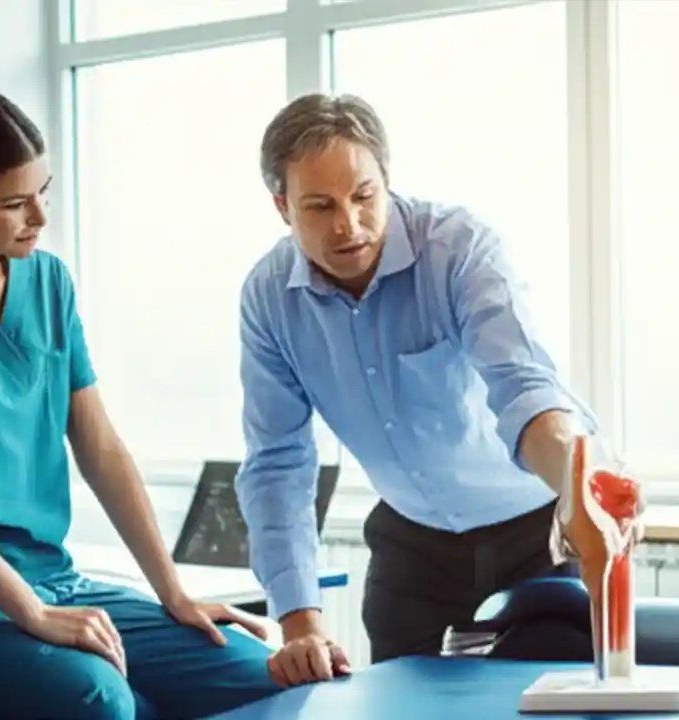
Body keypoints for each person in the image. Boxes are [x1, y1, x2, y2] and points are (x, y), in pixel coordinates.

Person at [0, 91, 282, 719]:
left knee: (261, 675)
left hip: (54, 578)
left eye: (44, 193)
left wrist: (173, 592)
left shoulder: (50, 280)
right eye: (14, 203)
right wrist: (30, 612)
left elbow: (100, 448)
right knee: (100, 697)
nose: (39, 216)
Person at [235, 92, 631, 684]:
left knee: (551, 701)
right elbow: (277, 463)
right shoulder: (268, 298)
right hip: (412, 542)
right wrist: (300, 625)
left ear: (386, 180)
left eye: (364, 196)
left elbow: (524, 388)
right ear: (281, 206)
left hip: (535, 532)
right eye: (320, 206)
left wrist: (583, 490)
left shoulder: (459, 249)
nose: (349, 225)